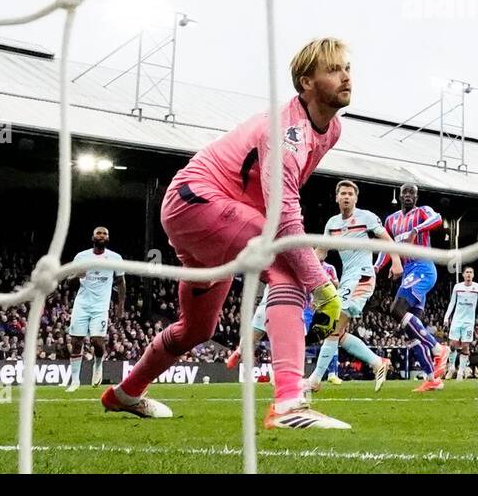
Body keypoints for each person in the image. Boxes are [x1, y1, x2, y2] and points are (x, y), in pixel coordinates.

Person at [103, 37, 348, 430]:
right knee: (286, 270)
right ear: (306, 82)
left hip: (213, 215)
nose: (346, 76)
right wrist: (323, 288)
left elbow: (276, 197)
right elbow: (284, 215)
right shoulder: (285, 131)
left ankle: (126, 394)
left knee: (198, 329)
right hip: (198, 202)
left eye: (347, 68)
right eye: (334, 69)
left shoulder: (332, 129)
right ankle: (288, 403)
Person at [304, 179, 398, 391]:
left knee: (333, 328)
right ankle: (377, 362)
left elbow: (386, 239)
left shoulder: (366, 217)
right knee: (338, 332)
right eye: (343, 193)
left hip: (363, 277)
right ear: (337, 197)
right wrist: (303, 265)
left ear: (356, 198)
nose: (346, 197)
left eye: (350, 194)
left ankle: (315, 381)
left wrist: (397, 261)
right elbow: (321, 252)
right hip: (347, 280)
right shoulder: (332, 223)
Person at [376, 183, 450, 393]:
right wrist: (377, 267)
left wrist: (416, 230)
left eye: (412, 193)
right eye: (405, 193)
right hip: (408, 272)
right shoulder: (391, 220)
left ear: (416, 197)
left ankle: (438, 348)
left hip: (423, 266)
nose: (408, 196)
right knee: (411, 331)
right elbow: (387, 247)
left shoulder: (422, 212)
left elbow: (437, 219)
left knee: (397, 309)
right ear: (399, 196)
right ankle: (431, 379)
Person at [66, 226, 125, 390]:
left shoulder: (115, 258)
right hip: (82, 304)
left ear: (108, 238)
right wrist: (75, 275)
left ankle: (98, 365)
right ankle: (75, 381)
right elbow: (68, 282)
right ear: (92, 237)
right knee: (76, 341)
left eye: (105, 233)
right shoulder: (81, 256)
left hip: (101, 306)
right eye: (98, 233)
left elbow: (120, 283)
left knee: (97, 342)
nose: (101, 235)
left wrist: (120, 307)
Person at [444, 266, 478, 379]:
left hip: (468, 322)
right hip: (456, 320)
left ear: (473, 275)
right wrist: (446, 317)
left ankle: (460, 372)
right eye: (467, 272)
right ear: (463, 275)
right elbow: (452, 303)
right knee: (452, 345)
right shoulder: (457, 287)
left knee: (465, 346)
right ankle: (451, 368)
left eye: (471, 272)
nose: (469, 274)